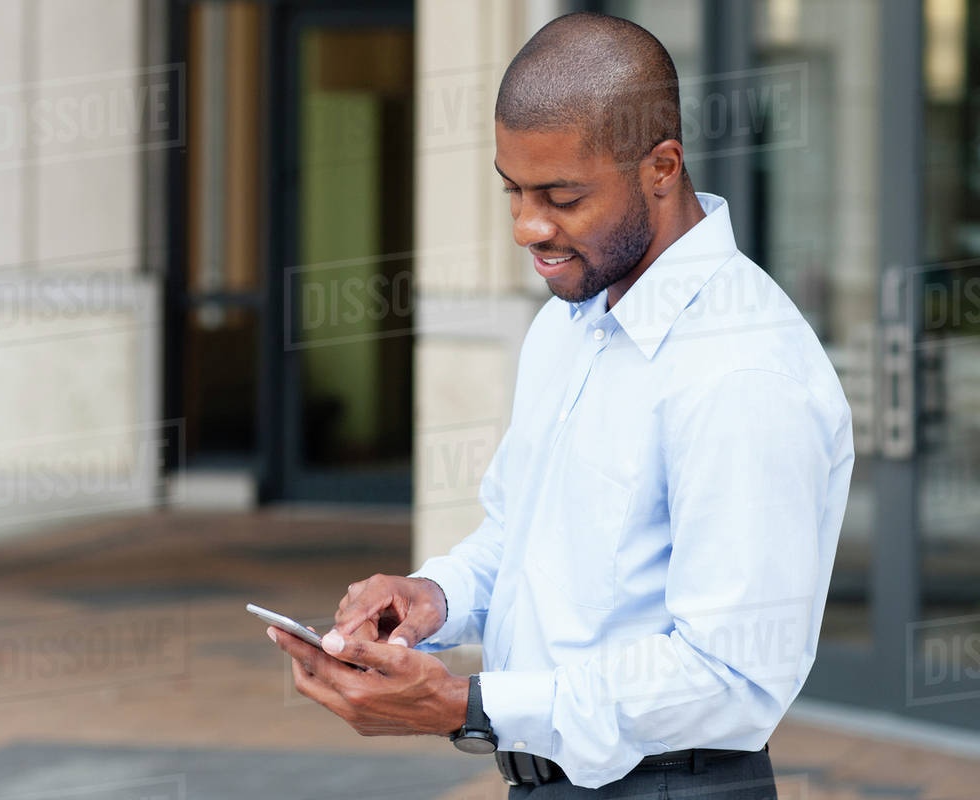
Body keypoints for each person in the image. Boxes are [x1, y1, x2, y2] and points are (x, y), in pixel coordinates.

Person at [266, 11, 854, 798]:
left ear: (662, 167)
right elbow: (520, 536)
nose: (527, 227)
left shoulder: (743, 369)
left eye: (561, 196)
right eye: (512, 191)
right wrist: (432, 599)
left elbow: (732, 670)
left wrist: (467, 705)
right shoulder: (568, 324)